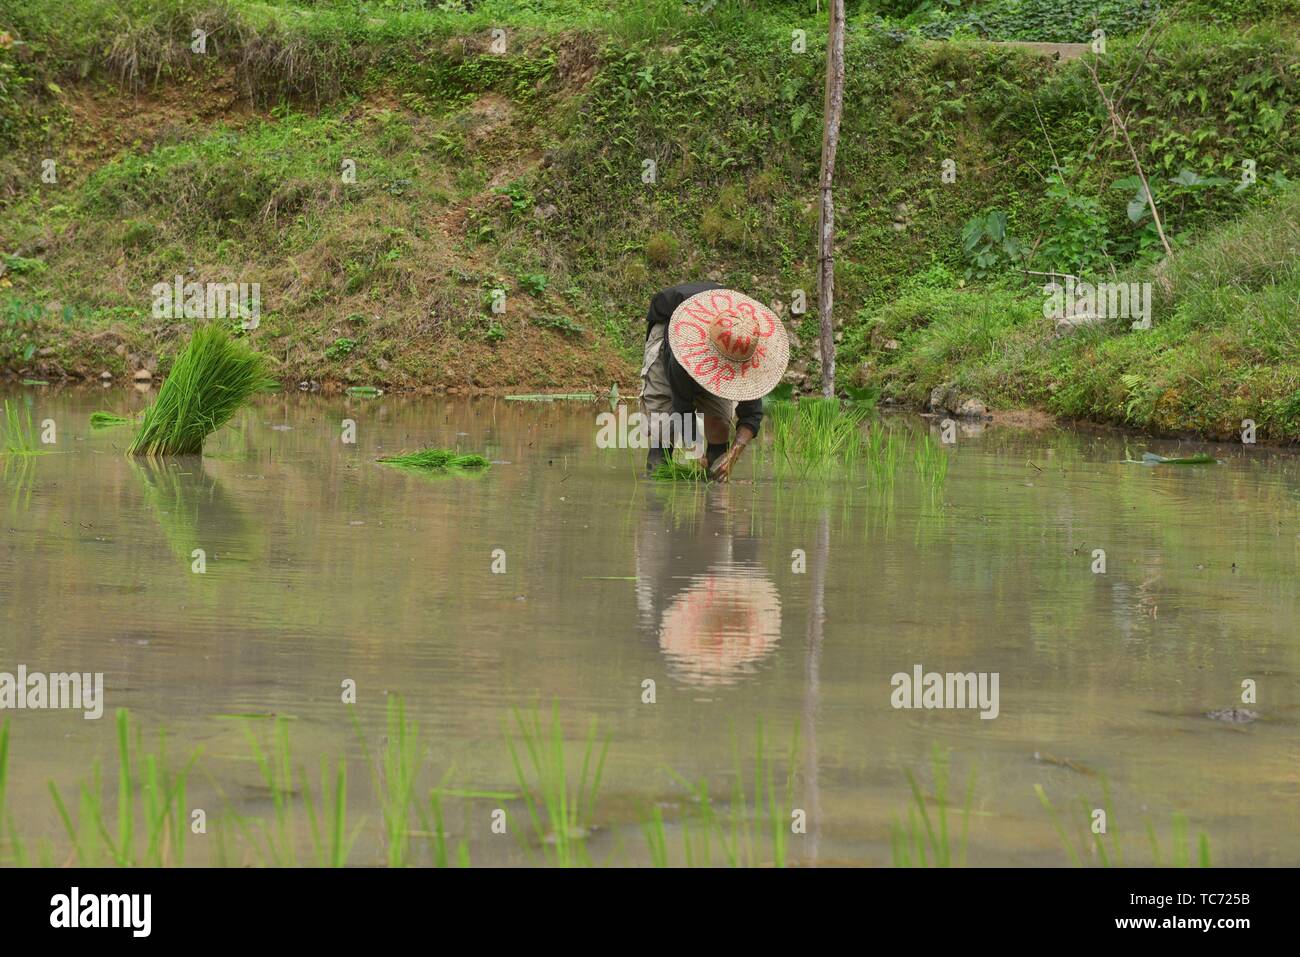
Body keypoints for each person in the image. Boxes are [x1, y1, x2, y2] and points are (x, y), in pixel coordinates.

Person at [639, 282, 791, 481]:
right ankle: (656, 479)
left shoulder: (745, 342)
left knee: (719, 423)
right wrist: (694, 450)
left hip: (727, 338)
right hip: (670, 331)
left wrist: (733, 454)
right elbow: (682, 406)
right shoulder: (682, 348)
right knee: (664, 425)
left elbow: (751, 414)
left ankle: (715, 482)